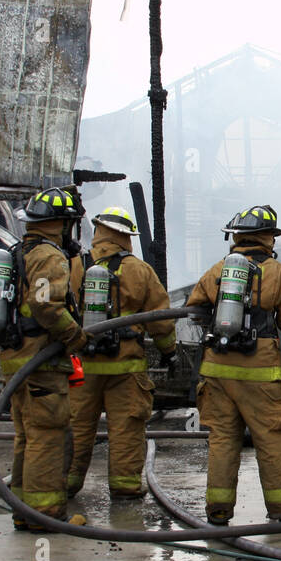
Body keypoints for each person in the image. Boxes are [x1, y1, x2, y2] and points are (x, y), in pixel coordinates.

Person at [187, 205, 281, 525]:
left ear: (236, 236)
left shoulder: (217, 270)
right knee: (270, 437)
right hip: (260, 371)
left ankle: (219, 510)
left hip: (216, 368)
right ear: (269, 238)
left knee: (223, 439)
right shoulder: (279, 273)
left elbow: (194, 310)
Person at [66, 206, 176, 501]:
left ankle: (66, 484)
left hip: (81, 367)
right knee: (127, 426)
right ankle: (125, 487)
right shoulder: (139, 271)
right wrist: (169, 352)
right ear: (127, 237)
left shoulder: (77, 265)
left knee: (76, 424)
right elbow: (161, 321)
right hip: (125, 367)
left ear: (99, 231)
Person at [0, 185, 88, 529]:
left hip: (16, 357)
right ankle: (47, 516)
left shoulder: (19, 250)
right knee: (48, 435)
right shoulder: (49, 256)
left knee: (27, 434)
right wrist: (74, 335)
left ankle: (25, 510)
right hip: (40, 359)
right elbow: (44, 304)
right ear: (62, 224)